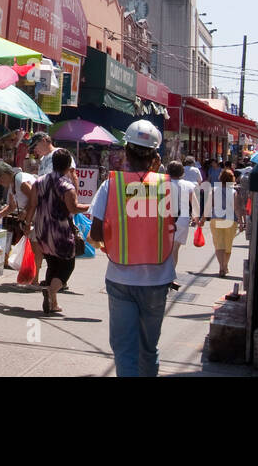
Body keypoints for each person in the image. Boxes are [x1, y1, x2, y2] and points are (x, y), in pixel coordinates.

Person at [88, 120, 181, 376]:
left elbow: (95, 233)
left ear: (126, 151)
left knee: (125, 351)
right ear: (155, 156)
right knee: (148, 350)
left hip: (120, 277)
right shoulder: (168, 187)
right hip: (158, 279)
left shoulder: (112, 185)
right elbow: (177, 230)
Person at [22, 149, 89, 314]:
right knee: (67, 265)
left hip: (42, 230)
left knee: (52, 263)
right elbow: (73, 207)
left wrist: (27, 223)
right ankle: (50, 291)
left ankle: (53, 303)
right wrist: (91, 207)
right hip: (60, 232)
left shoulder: (40, 181)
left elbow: (32, 205)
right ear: (68, 166)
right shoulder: (66, 186)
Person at [0, 160, 35, 269]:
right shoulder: (12, 185)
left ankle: (35, 277)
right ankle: (33, 276)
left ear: (5, 174)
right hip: (33, 217)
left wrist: (25, 213)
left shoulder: (19, 180)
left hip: (40, 215)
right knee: (34, 246)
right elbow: (11, 207)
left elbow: (34, 197)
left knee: (36, 246)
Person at [166, 161, 200, 291]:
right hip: (182, 219)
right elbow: (195, 204)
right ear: (182, 173)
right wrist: (197, 219)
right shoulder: (189, 185)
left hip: (164, 218)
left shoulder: (162, 184)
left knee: (164, 248)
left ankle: (163, 275)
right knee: (175, 249)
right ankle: (170, 275)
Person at [205, 169, 239, 277]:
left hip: (216, 219)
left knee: (219, 244)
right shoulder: (233, 192)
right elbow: (236, 208)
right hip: (230, 220)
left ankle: (220, 267)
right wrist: (242, 221)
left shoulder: (214, 190)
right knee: (228, 245)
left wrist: (202, 219)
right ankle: (225, 265)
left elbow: (209, 205)